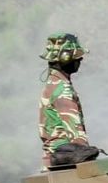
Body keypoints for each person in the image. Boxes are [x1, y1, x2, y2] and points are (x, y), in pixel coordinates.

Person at [39, 33, 100, 169]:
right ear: (66, 58)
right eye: (76, 57)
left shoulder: (52, 85)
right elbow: (77, 138)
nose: (80, 60)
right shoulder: (63, 90)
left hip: (55, 162)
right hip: (67, 166)